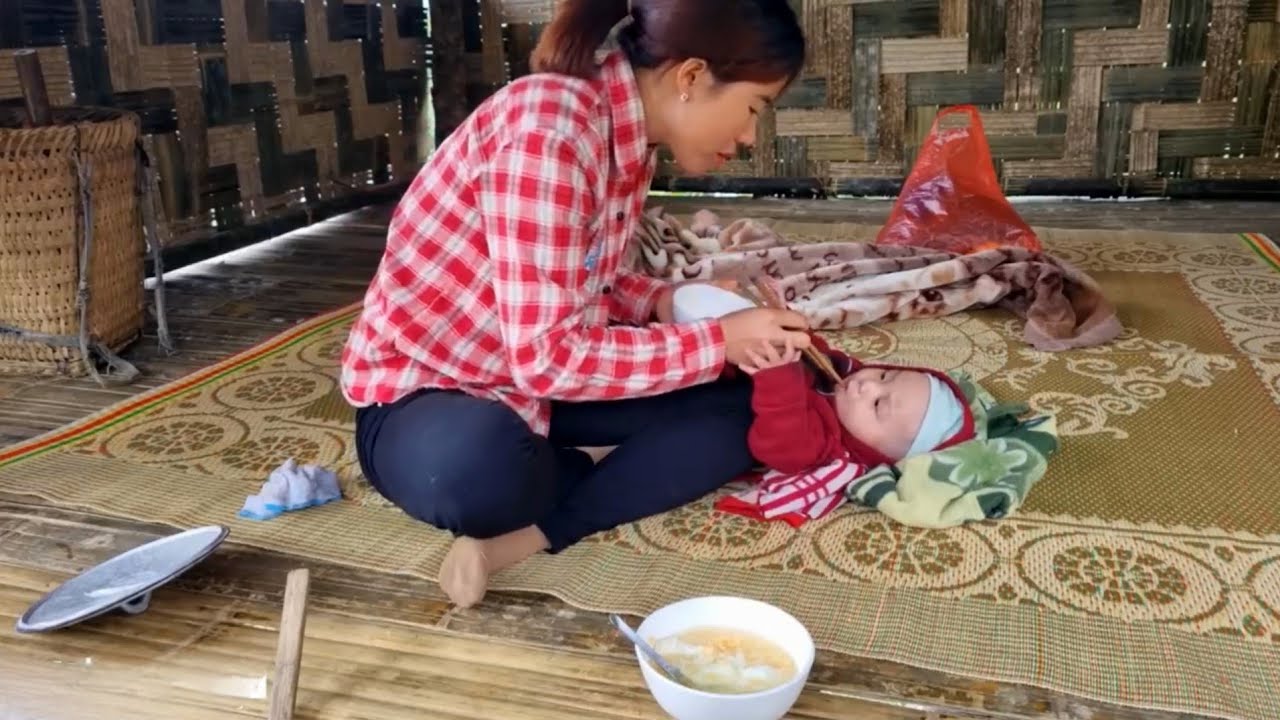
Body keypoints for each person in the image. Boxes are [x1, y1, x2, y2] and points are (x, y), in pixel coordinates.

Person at [340, 0, 810, 608]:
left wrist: (666, 301)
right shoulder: (551, 133)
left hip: (538, 389)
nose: (748, 137)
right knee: (474, 476)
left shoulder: (629, 140)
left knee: (749, 406)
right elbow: (547, 356)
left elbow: (590, 281)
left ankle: (543, 523)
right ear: (691, 77)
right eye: (753, 109)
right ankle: (593, 465)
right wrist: (718, 340)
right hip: (431, 391)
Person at [713, 335, 976, 527]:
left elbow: (780, 446)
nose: (868, 386)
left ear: (876, 452)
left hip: (716, 408)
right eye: (886, 376)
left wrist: (779, 380)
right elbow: (816, 352)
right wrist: (790, 331)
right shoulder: (842, 374)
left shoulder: (824, 444)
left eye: (877, 405)